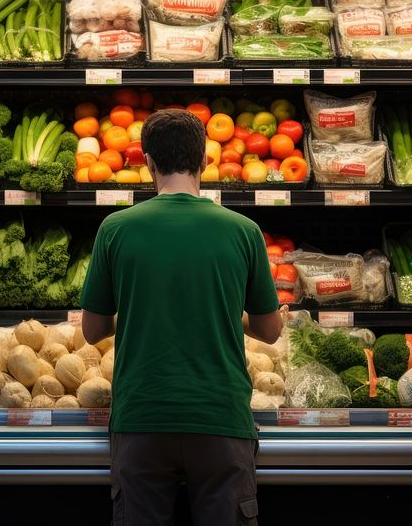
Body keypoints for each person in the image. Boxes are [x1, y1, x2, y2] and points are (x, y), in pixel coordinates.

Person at [80, 108, 286, 526]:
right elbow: (269, 330)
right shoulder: (243, 230)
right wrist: (229, 315)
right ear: (205, 161)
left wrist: (144, 312)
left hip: (141, 418)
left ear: (147, 162)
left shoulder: (115, 228)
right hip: (220, 418)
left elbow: (92, 330)